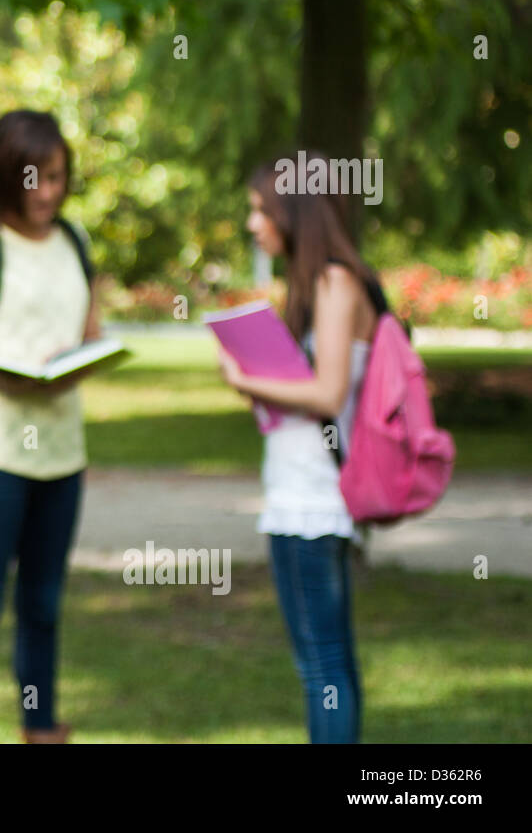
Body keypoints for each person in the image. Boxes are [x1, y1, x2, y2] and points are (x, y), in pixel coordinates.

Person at [0, 110, 102, 743]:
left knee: (44, 607)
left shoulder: (75, 241)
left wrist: (82, 359)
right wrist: (24, 379)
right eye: (35, 179)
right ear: (5, 177)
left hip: (63, 454)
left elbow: (90, 333)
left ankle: (40, 729)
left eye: (58, 177)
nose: (49, 192)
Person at [217, 153, 382, 743]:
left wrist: (242, 377)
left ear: (295, 211)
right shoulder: (313, 285)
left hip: (318, 501)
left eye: (261, 210)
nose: (253, 224)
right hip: (294, 495)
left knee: (323, 667)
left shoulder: (337, 281)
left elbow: (327, 392)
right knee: (324, 661)